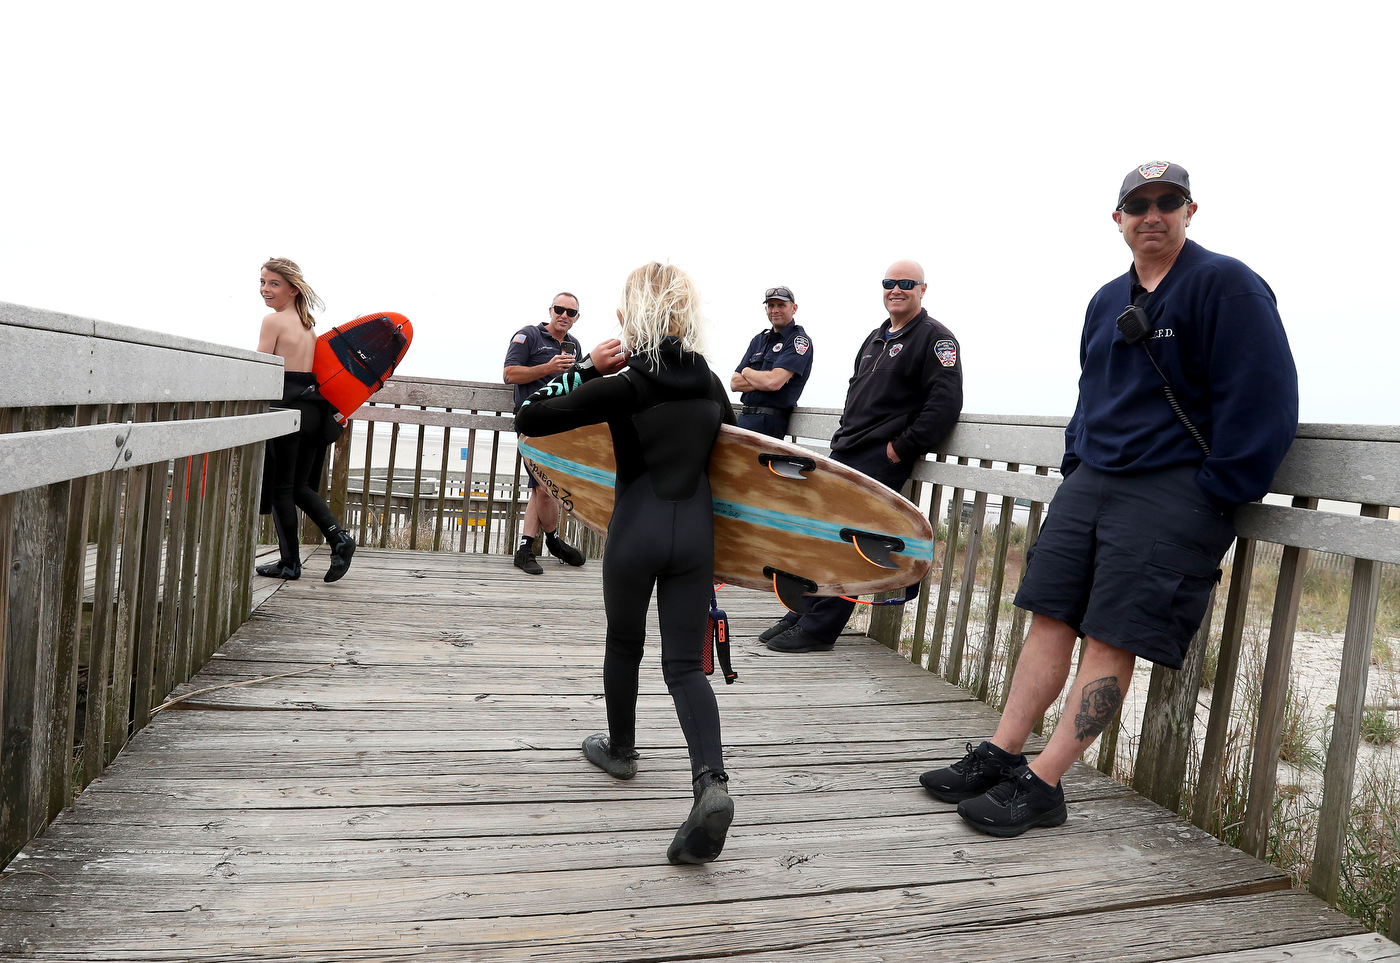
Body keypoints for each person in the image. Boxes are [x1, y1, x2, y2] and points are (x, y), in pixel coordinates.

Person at [920, 161, 1299, 838]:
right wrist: (1076, 461)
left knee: (1114, 633)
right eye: (1138, 204)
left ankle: (1044, 782)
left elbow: (1265, 397)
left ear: (1190, 210)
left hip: (1174, 488)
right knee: (1049, 614)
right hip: (1093, 479)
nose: (1152, 214)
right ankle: (1003, 752)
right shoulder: (1105, 299)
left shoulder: (1226, 285)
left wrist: (1218, 489)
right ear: (1117, 218)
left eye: (1168, 201)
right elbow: (1089, 391)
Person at [514, 262, 738, 865]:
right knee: (685, 668)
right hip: (695, 534)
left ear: (631, 314)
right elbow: (740, 457)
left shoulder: (626, 382)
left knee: (624, 643)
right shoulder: (711, 382)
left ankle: (621, 749)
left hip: (635, 529)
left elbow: (530, 417)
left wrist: (585, 369)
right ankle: (711, 784)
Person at [763, 261, 963, 653]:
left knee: (853, 544)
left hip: (880, 457)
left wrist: (898, 448)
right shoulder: (875, 338)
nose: (897, 289)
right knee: (823, 537)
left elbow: (944, 404)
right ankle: (803, 610)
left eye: (907, 283)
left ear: (923, 289)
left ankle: (819, 630)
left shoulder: (935, 339)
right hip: (847, 450)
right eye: (890, 283)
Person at [254, 257, 356, 583]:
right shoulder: (307, 326)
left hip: (287, 408)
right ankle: (339, 538)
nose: (265, 289)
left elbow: (262, 369)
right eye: (263, 282)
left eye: (274, 283)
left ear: (293, 289)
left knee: (281, 489)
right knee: (299, 487)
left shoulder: (274, 321)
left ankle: (290, 564)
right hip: (313, 410)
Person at [503, 294, 588, 575]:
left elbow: (574, 382)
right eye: (560, 309)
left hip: (560, 422)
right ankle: (552, 542)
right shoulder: (528, 335)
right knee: (543, 486)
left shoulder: (573, 345)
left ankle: (526, 547)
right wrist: (548, 368)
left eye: (571, 312)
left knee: (540, 486)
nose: (564, 315)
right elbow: (510, 375)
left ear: (577, 317)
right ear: (550, 310)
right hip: (532, 419)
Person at [729, 285, 813, 438]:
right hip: (744, 419)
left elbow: (772, 383)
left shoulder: (798, 341)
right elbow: (735, 383)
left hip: (769, 424)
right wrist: (765, 381)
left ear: (793, 308)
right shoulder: (759, 340)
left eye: (781, 305)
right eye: (770, 305)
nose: (775, 310)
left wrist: (747, 372)